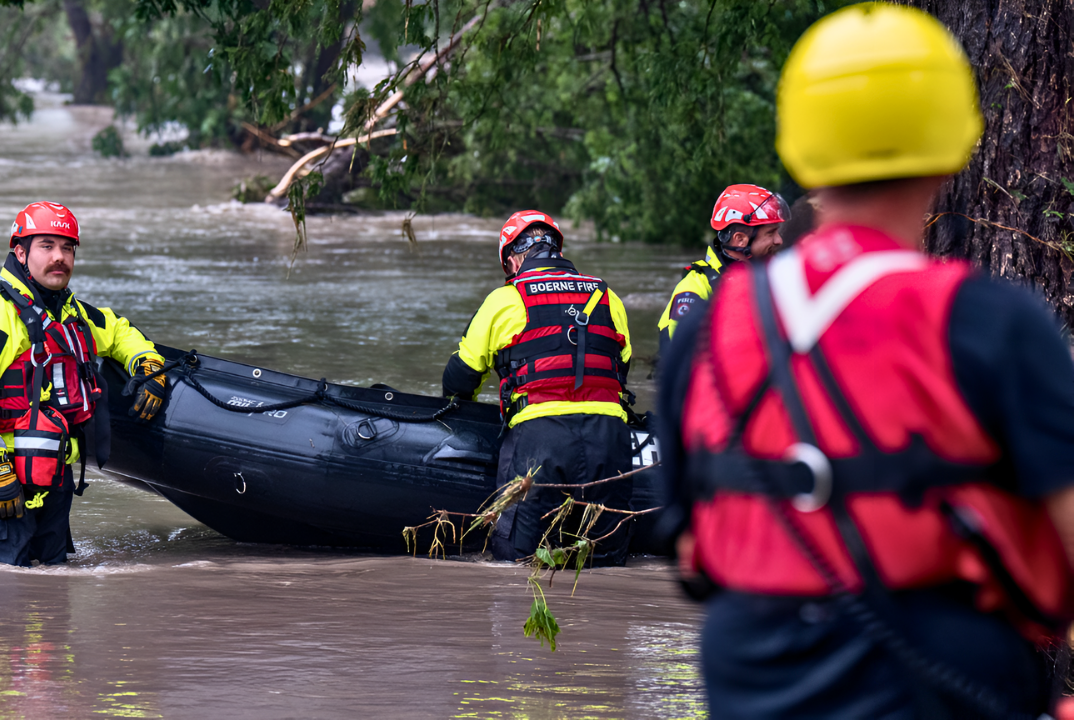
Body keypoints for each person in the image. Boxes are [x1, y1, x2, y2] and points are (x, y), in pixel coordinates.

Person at [653, 4, 1074, 718]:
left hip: (753, 680)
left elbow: (692, 550)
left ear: (802, 153)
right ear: (953, 148)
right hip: (946, 681)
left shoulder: (701, 331)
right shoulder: (995, 325)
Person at [0, 202, 169, 566]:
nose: (59, 257)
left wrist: (148, 365)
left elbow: (119, 332)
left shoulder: (71, 313)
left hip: (52, 474)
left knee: (49, 600)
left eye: (67, 248)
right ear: (20, 252)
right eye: (47, 246)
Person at [442, 210, 636, 566]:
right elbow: (620, 367)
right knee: (606, 564)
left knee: (518, 565)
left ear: (513, 259)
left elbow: (460, 379)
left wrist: (463, 420)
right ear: (557, 250)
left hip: (540, 444)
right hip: (609, 442)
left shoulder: (505, 299)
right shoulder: (609, 297)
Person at [656, 184, 788, 356]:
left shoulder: (777, 277)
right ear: (740, 239)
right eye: (771, 233)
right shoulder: (696, 288)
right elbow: (680, 359)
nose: (779, 241)